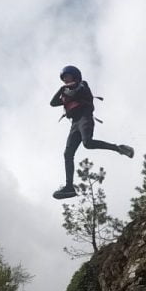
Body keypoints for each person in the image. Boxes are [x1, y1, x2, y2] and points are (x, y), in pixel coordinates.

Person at [50, 64, 132, 199]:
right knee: (68, 153)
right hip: (74, 123)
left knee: (87, 143)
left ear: (74, 76)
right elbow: (52, 103)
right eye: (63, 78)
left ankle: (119, 148)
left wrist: (67, 89)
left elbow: (76, 93)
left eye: (67, 76)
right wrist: (61, 89)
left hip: (84, 117)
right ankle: (69, 187)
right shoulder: (65, 91)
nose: (65, 80)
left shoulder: (82, 85)